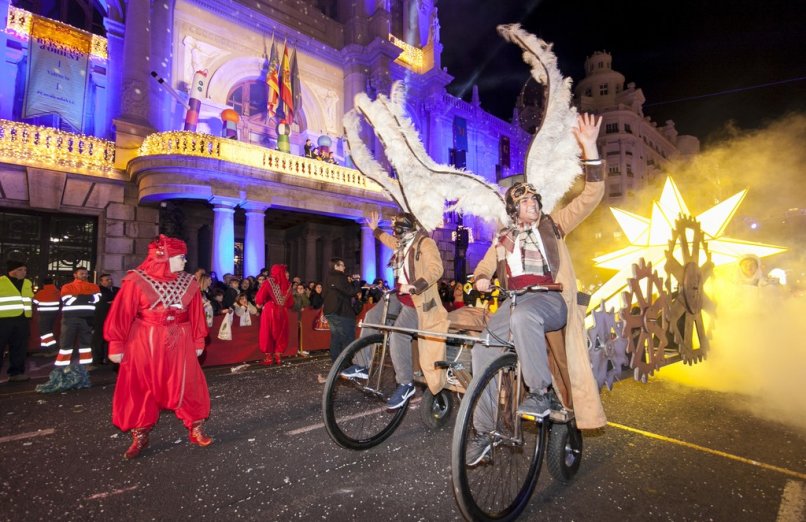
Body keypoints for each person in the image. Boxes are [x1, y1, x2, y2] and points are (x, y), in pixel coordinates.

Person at [465, 113, 607, 465]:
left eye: (535, 198)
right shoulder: (503, 237)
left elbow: (592, 195)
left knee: (525, 315)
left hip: (550, 302)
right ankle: (484, 432)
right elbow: (484, 266)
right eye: (526, 200)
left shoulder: (554, 225)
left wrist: (589, 148)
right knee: (482, 350)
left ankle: (540, 393)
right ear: (514, 208)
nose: (534, 202)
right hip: (516, 305)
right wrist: (480, 278)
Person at [104, 235, 212, 460]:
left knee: (187, 382)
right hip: (145, 340)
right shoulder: (136, 280)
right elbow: (122, 313)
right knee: (142, 386)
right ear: (164, 257)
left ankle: (196, 426)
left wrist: (198, 339)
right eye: (180, 257)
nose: (184, 261)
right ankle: (140, 433)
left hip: (180, 339)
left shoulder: (188, 282)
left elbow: (196, 315)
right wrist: (116, 343)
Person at [340, 211, 449, 409]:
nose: (396, 235)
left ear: (408, 229)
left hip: (418, 299)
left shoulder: (425, 243)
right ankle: (363, 366)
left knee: (398, 334)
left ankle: (406, 384)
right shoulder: (402, 244)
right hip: (400, 294)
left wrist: (417, 284)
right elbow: (389, 241)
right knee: (372, 316)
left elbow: (436, 268)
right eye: (395, 232)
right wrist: (375, 231)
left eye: (398, 231)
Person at [57, 266, 101, 368]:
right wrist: (88, 297)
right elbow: (67, 301)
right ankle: (62, 367)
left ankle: (86, 365)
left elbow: (97, 299)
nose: (84, 275)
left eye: (86, 273)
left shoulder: (94, 286)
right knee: (66, 343)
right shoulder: (67, 287)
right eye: (82, 273)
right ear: (75, 275)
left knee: (86, 343)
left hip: (87, 319)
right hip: (69, 319)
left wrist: (77, 296)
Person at [322, 257, 361, 362]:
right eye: (342, 265)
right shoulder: (339, 276)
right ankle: (346, 364)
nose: (344, 267)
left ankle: (336, 364)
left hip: (330, 311)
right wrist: (357, 282)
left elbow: (324, 294)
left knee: (336, 338)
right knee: (347, 338)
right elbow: (350, 292)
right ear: (336, 266)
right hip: (342, 311)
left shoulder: (327, 277)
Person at [0, 260, 33, 382]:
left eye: (25, 270)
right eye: (21, 270)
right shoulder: (1, 282)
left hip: (22, 320)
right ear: (12, 271)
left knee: (19, 348)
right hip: (3, 320)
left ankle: (16, 373)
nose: (24, 272)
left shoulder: (27, 283)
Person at [255, 264, 293, 366]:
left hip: (269, 310)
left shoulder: (269, 282)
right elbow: (290, 303)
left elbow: (260, 298)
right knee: (281, 333)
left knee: (267, 332)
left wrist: (259, 303)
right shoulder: (288, 285)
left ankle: (268, 357)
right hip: (282, 311)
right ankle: (278, 356)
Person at [91, 273, 119, 365]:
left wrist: (113, 302)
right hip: (101, 318)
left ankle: (109, 359)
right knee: (99, 340)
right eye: (107, 280)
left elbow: (122, 300)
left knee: (112, 339)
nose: (110, 281)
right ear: (101, 281)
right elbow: (102, 301)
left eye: (110, 279)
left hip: (114, 319)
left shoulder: (117, 289)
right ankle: (98, 359)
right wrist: (113, 302)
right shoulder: (97, 290)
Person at [32, 277, 60, 352]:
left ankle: (52, 348)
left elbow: (34, 301)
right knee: (48, 330)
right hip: (54, 313)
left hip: (44, 314)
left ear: (43, 284)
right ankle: (45, 349)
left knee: (44, 331)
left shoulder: (41, 292)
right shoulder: (57, 292)